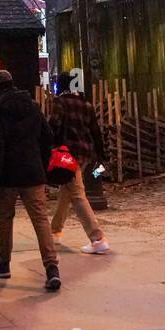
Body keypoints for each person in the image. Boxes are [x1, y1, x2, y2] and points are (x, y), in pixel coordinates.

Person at [0, 70, 61, 291]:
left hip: (8, 174)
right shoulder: (32, 105)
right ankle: (52, 269)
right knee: (41, 220)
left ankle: (3, 264)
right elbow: (47, 137)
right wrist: (42, 164)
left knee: (5, 219)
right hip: (33, 172)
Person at [49, 73, 111, 254]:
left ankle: (97, 238)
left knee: (76, 194)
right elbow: (95, 132)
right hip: (83, 154)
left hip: (65, 154)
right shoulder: (86, 105)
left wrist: (48, 147)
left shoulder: (60, 103)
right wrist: (101, 155)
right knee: (67, 191)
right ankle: (55, 231)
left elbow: (53, 126)